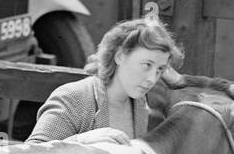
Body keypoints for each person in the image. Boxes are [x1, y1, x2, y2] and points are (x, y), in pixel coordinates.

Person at [26, 15, 182, 143]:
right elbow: (32, 153)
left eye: (159, 69)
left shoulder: (140, 103)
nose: (152, 79)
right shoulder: (72, 98)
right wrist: (80, 141)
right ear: (120, 56)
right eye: (146, 65)